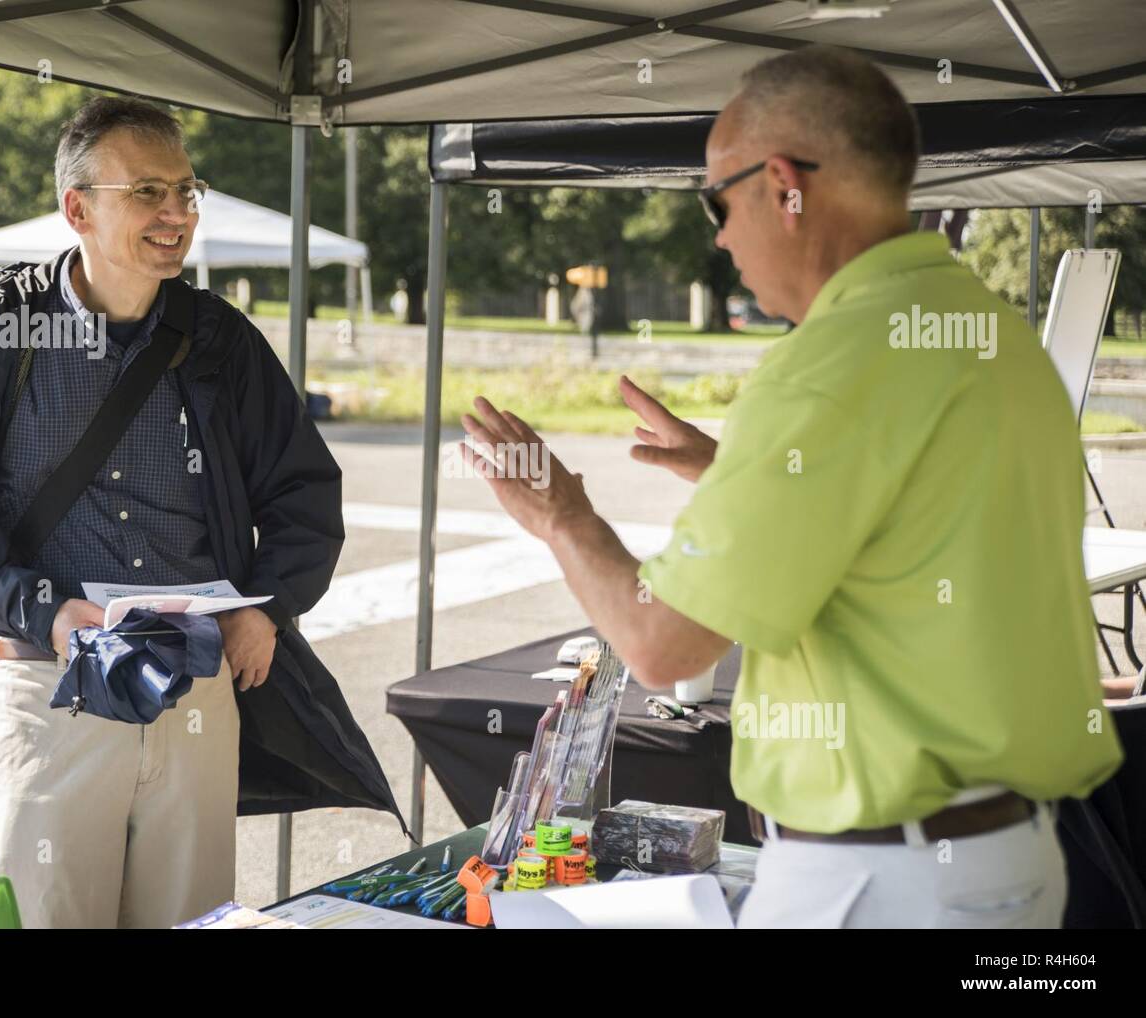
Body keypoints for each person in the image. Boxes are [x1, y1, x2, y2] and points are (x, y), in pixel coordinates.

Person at [458, 45, 1122, 928]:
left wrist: (562, 513)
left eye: (716, 202)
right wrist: (738, 473)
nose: (722, 236)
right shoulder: (991, 338)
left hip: (882, 882)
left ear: (782, 185)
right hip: (1007, 862)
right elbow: (911, 522)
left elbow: (663, 646)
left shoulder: (832, 365)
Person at [0, 96, 402, 928]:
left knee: (195, 925)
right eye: (147, 192)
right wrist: (50, 614)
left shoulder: (221, 338)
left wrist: (268, 609)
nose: (177, 214)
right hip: (48, 690)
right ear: (78, 208)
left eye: (186, 190)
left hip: (199, 693)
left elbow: (305, 493)